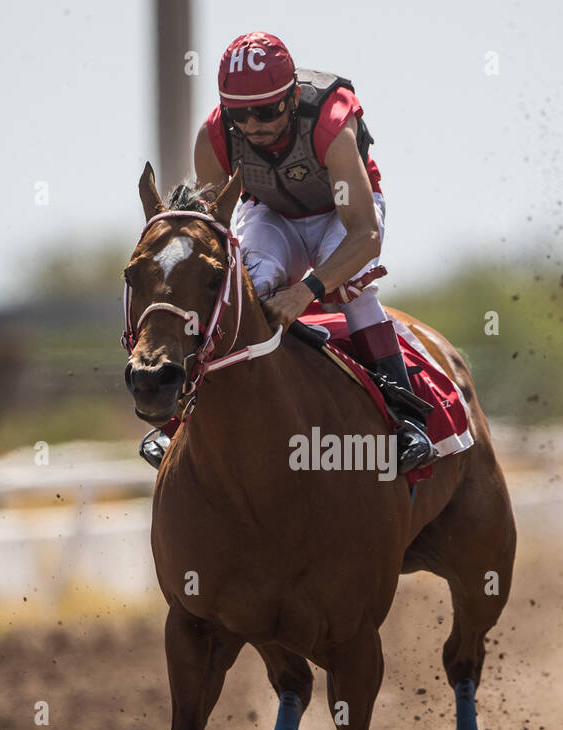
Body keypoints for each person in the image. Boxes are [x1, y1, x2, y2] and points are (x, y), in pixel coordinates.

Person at [139, 30, 434, 474]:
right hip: (271, 212)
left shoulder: (331, 123)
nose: (254, 125)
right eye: (240, 114)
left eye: (266, 110)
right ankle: (180, 419)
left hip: (344, 215)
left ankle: (406, 418)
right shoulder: (215, 137)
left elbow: (364, 237)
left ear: (293, 96)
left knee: (354, 291)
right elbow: (211, 237)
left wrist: (305, 292)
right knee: (242, 289)